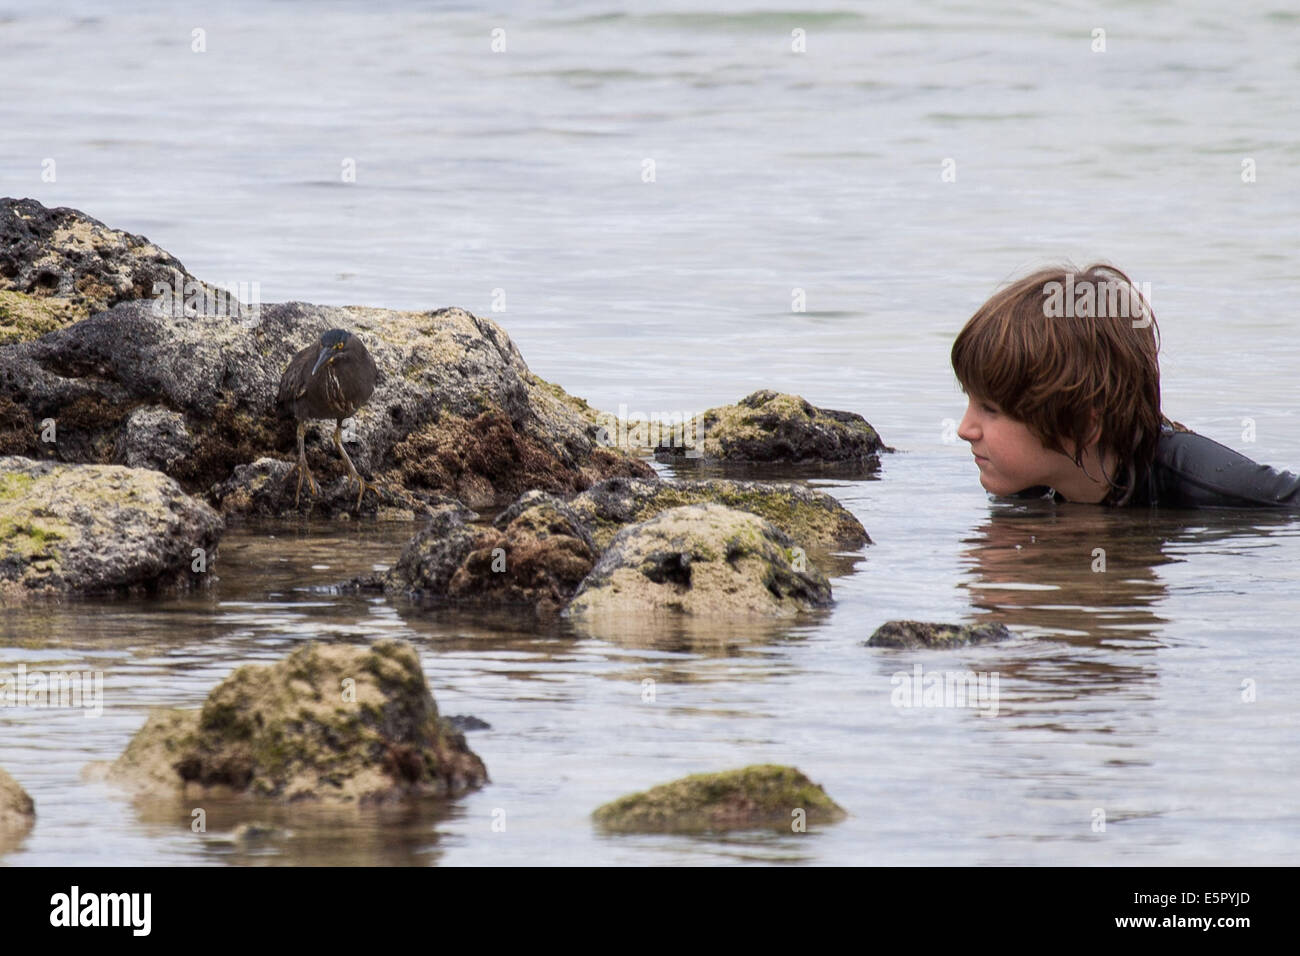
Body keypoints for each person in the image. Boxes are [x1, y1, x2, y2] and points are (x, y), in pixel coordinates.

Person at [951, 263, 1300, 507]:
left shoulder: (1200, 481)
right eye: (971, 400)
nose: (964, 430)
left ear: (1084, 424)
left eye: (991, 410)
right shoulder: (1026, 486)